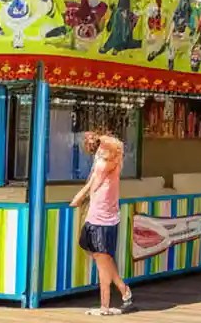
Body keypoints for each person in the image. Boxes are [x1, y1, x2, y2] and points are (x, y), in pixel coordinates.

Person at [70, 131, 133, 316]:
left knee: (102, 261)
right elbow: (93, 182)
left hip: (105, 218)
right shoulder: (103, 158)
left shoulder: (111, 160)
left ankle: (106, 304)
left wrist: (81, 195)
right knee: (98, 256)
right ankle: (123, 290)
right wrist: (81, 195)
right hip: (95, 214)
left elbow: (95, 181)